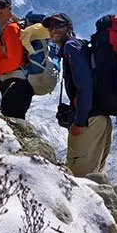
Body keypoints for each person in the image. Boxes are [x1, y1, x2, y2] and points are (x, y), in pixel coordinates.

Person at [42, 12, 112, 177]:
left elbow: (85, 85)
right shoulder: (78, 46)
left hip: (89, 122)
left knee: (79, 179)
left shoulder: (70, 47)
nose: (53, 29)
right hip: (100, 120)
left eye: (58, 25)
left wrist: (79, 122)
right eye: (50, 26)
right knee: (95, 179)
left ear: (69, 27)